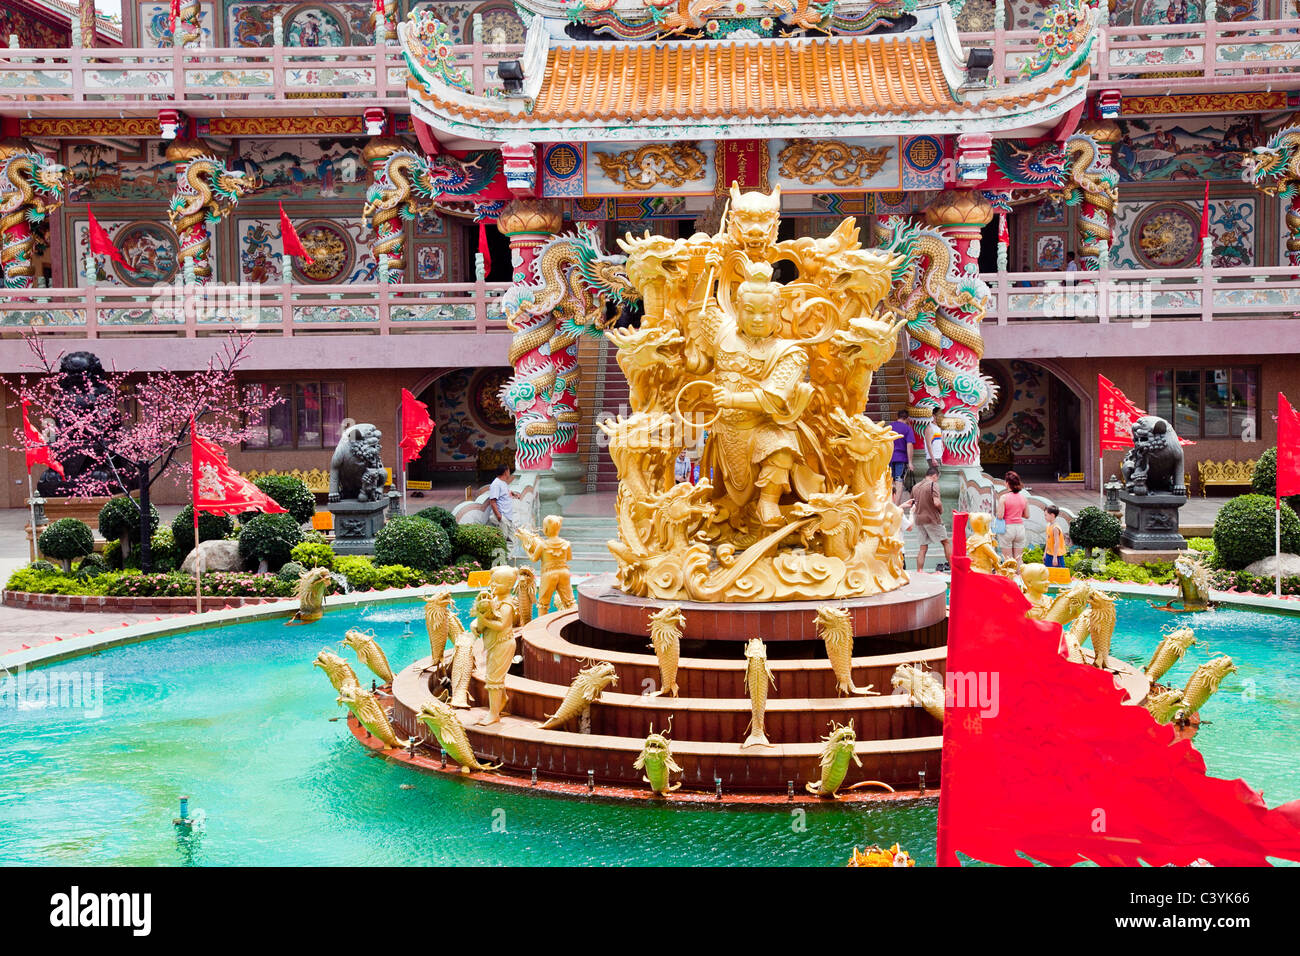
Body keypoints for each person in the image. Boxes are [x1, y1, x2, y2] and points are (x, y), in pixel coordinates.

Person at [910, 465, 952, 572]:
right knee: (946, 542)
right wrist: (941, 510)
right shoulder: (933, 485)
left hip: (919, 520)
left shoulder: (915, 487)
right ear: (934, 476)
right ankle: (953, 570)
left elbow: (912, 504)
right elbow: (936, 502)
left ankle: (919, 571)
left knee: (923, 548)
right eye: (937, 477)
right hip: (931, 519)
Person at [997, 470, 1029, 566]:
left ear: (1007, 483)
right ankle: (1019, 579)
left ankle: (1010, 580)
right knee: (1019, 559)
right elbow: (1027, 515)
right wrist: (1017, 513)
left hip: (1007, 529)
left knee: (1008, 559)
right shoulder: (1024, 498)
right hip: (1020, 529)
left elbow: (1000, 516)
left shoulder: (1004, 498)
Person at [888, 408, 917, 505]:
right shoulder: (907, 429)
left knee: (889, 482)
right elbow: (909, 445)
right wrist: (910, 462)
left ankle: (889, 504)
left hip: (889, 459)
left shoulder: (889, 427)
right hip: (901, 459)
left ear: (897, 417)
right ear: (907, 418)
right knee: (899, 483)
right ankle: (896, 507)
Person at [487, 463, 515, 548]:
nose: (509, 472)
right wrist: (500, 517)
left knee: (511, 540)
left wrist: (513, 494)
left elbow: (504, 494)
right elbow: (492, 501)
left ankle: (508, 559)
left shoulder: (503, 483)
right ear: (505, 472)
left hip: (507, 517)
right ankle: (501, 560)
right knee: (503, 542)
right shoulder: (496, 484)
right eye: (509, 470)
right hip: (502, 517)